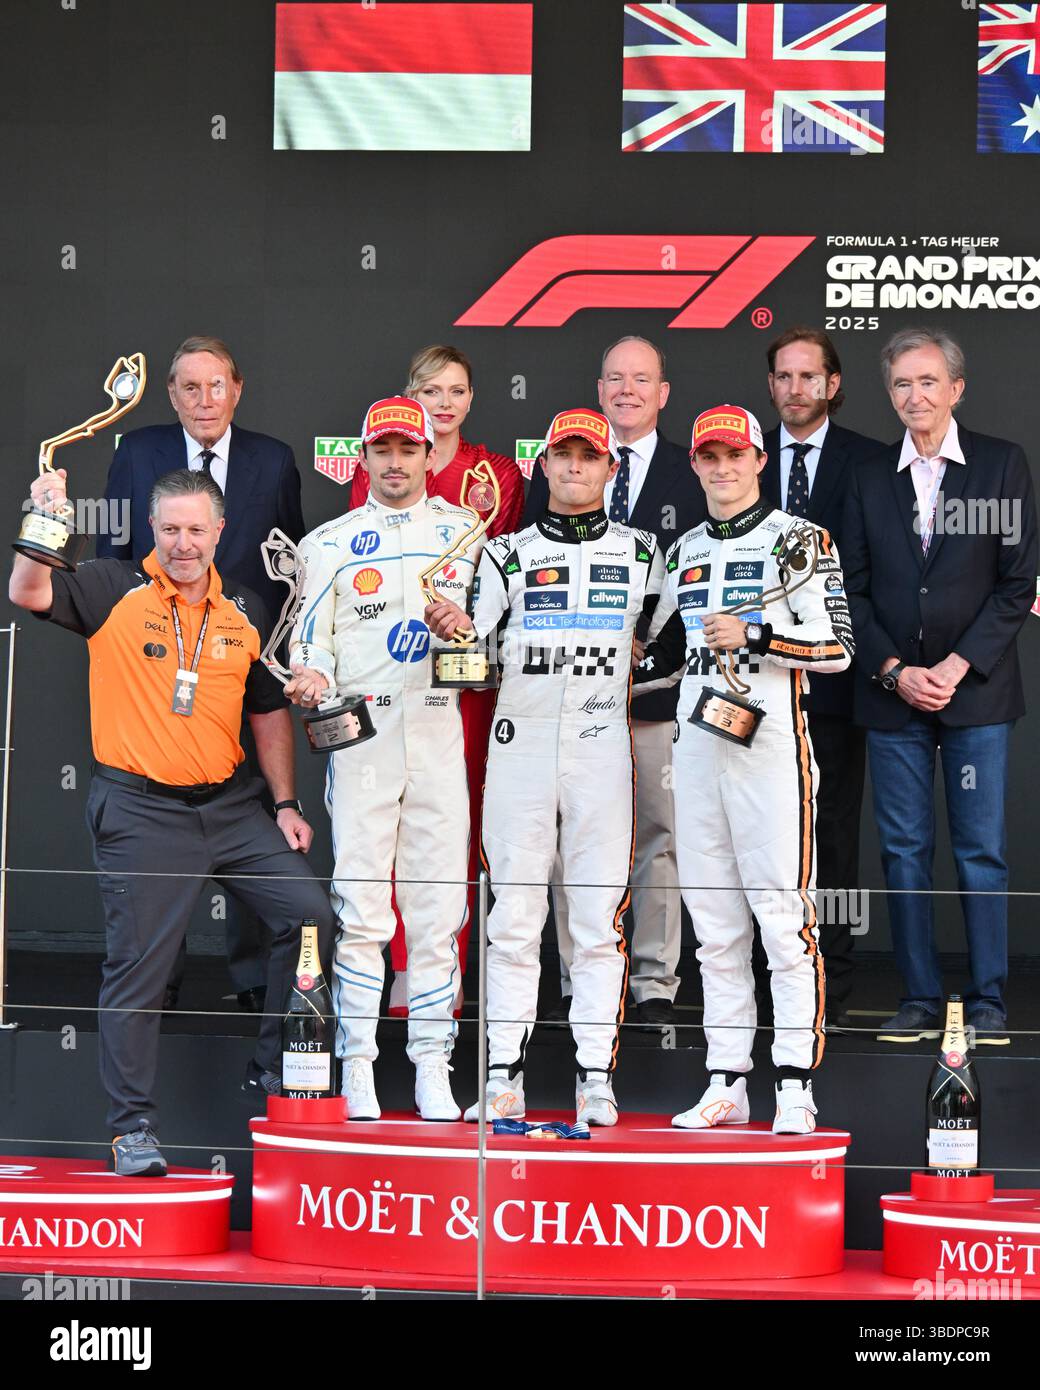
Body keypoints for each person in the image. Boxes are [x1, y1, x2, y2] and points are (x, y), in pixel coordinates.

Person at [9, 469, 335, 1177]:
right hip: (142, 810)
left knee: (308, 915)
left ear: (219, 532)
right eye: (170, 530)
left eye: (196, 530)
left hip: (231, 806)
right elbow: (28, 593)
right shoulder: (109, 585)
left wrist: (283, 803)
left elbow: (267, 711)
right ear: (152, 530)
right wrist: (43, 526)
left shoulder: (246, 607)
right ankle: (132, 1130)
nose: (183, 544)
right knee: (141, 971)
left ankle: (274, 1069)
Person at [427, 408, 665, 1126]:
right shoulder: (504, 554)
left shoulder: (645, 554)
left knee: (596, 921)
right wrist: (456, 632)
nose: (572, 468)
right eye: (560, 456)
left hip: (600, 752)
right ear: (544, 467)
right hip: (519, 746)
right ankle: (504, 1075)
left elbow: (663, 651)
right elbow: (465, 662)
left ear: (609, 469)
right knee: (515, 918)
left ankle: (596, 1076)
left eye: (587, 457)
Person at [634, 405, 853, 1135]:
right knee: (715, 927)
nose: (723, 468)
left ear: (761, 461)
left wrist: (757, 635)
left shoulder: (801, 540)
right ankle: (727, 1079)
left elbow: (836, 649)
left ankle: (795, 1084)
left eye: (737, 456)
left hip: (770, 753)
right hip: (695, 749)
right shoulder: (685, 546)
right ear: (693, 465)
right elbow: (657, 642)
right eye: (710, 457)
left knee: (783, 921)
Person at [287, 396, 482, 1122]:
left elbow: (486, 652)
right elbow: (310, 641)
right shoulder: (328, 542)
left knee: (438, 909)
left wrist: (463, 635)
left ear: (433, 456)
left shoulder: (468, 534)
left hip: (437, 733)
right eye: (382, 450)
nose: (395, 463)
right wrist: (310, 676)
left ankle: (434, 1065)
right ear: (362, 458)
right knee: (363, 907)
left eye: (409, 449)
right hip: (361, 739)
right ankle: (358, 1063)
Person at [99, 336, 307, 1014]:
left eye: (216, 386)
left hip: (238, 664)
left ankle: (250, 975)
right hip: (153, 661)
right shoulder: (136, 452)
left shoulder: (272, 460)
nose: (204, 399)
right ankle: (157, 976)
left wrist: (271, 655)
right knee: (152, 819)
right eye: (190, 387)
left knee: (242, 810)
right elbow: (110, 554)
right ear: (171, 394)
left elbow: (291, 567)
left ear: (237, 390)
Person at [842, 328, 1037, 1045]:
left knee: (981, 852)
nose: (914, 396)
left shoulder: (999, 465)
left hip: (976, 696)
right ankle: (919, 997)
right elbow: (850, 591)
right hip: (893, 695)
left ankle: (988, 1001)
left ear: (956, 388)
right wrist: (895, 671)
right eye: (901, 384)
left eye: (928, 382)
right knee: (902, 850)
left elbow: (1018, 584)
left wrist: (955, 668)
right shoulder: (867, 476)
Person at [524, 337, 706, 1027]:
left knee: (659, 835)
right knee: (577, 838)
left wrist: (651, 646)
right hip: (571, 697)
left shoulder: (697, 473)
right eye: (615, 378)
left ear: (663, 393)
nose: (627, 390)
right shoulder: (561, 467)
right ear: (599, 389)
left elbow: (705, 584)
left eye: (642, 380)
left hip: (658, 696)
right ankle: (578, 976)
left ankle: (655, 981)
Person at [352, 345, 524, 1016]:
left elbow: (497, 581)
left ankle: (453, 963)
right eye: (430, 389)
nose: (443, 402)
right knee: (391, 820)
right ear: (410, 394)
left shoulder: (496, 474)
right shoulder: (381, 463)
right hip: (389, 671)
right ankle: (400, 964)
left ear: (472, 399)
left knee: (461, 818)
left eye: (456, 389)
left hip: (464, 676)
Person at [761, 326, 884, 1029]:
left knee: (831, 834)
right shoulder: (739, 457)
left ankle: (828, 984)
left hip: (836, 684)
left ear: (833, 384)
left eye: (810, 376)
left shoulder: (871, 460)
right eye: (785, 376)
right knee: (759, 837)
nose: (796, 388)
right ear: (772, 384)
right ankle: (762, 981)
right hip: (751, 685)